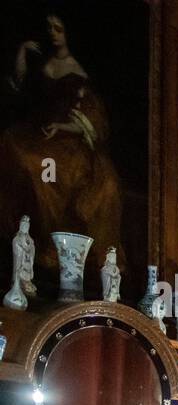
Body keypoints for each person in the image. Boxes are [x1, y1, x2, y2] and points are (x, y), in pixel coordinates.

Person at [1, 14, 124, 281]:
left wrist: (63, 127)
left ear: (69, 33)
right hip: (40, 130)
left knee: (61, 176)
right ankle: (34, 253)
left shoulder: (79, 70)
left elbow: (92, 116)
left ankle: (53, 252)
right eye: (50, 28)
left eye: (59, 28)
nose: (53, 33)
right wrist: (22, 52)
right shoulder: (41, 62)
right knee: (19, 153)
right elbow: (21, 86)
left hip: (69, 138)